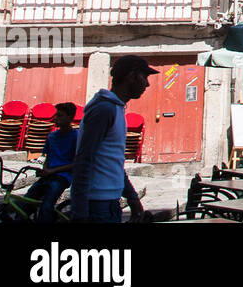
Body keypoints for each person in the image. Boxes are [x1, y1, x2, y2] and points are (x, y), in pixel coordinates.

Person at [71, 54, 157, 223]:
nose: (147, 83)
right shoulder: (104, 109)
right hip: (97, 205)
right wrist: (80, 212)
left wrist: (132, 198)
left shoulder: (116, 109)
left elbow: (113, 160)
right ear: (131, 76)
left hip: (109, 201)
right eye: (144, 77)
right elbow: (84, 158)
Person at [27, 103, 77, 223]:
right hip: (48, 174)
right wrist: (45, 170)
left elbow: (76, 163)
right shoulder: (52, 137)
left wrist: (52, 171)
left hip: (63, 176)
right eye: (56, 115)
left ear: (70, 118)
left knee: (47, 205)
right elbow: (48, 157)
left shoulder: (76, 137)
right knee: (27, 200)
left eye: (60, 115)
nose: (56, 118)